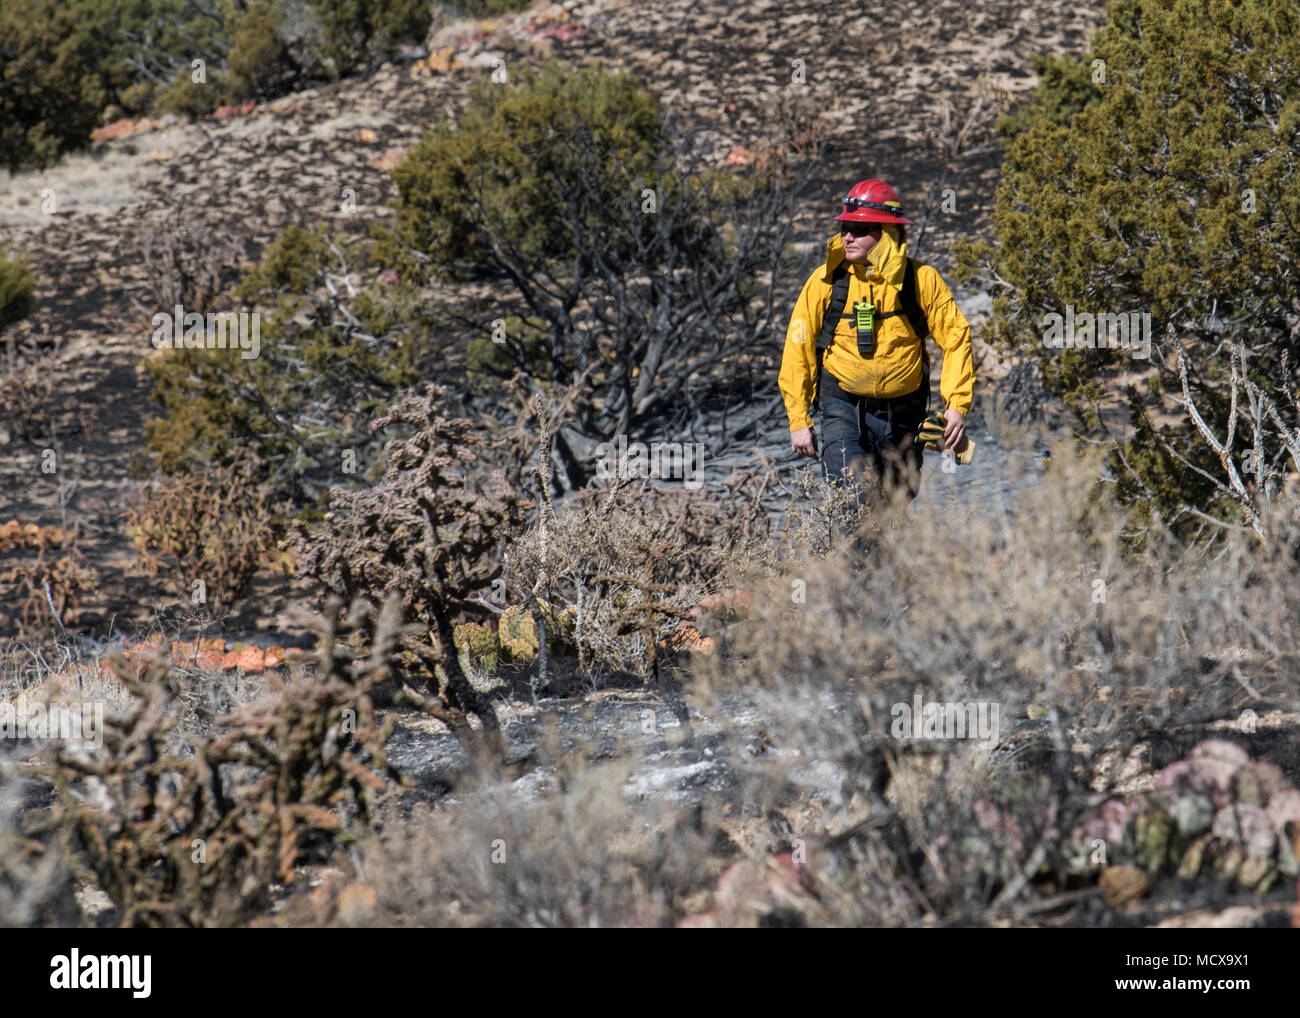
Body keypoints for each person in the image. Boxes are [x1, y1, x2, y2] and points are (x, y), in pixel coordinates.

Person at [778, 178, 975, 508]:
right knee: (851, 497)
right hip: (843, 408)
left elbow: (956, 338)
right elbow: (798, 347)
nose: (848, 236)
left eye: (861, 228)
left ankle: (878, 559)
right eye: (845, 228)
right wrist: (799, 420)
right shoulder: (825, 282)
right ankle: (851, 560)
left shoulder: (921, 280)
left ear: (888, 232)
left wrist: (956, 405)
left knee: (894, 506)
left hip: (905, 414)